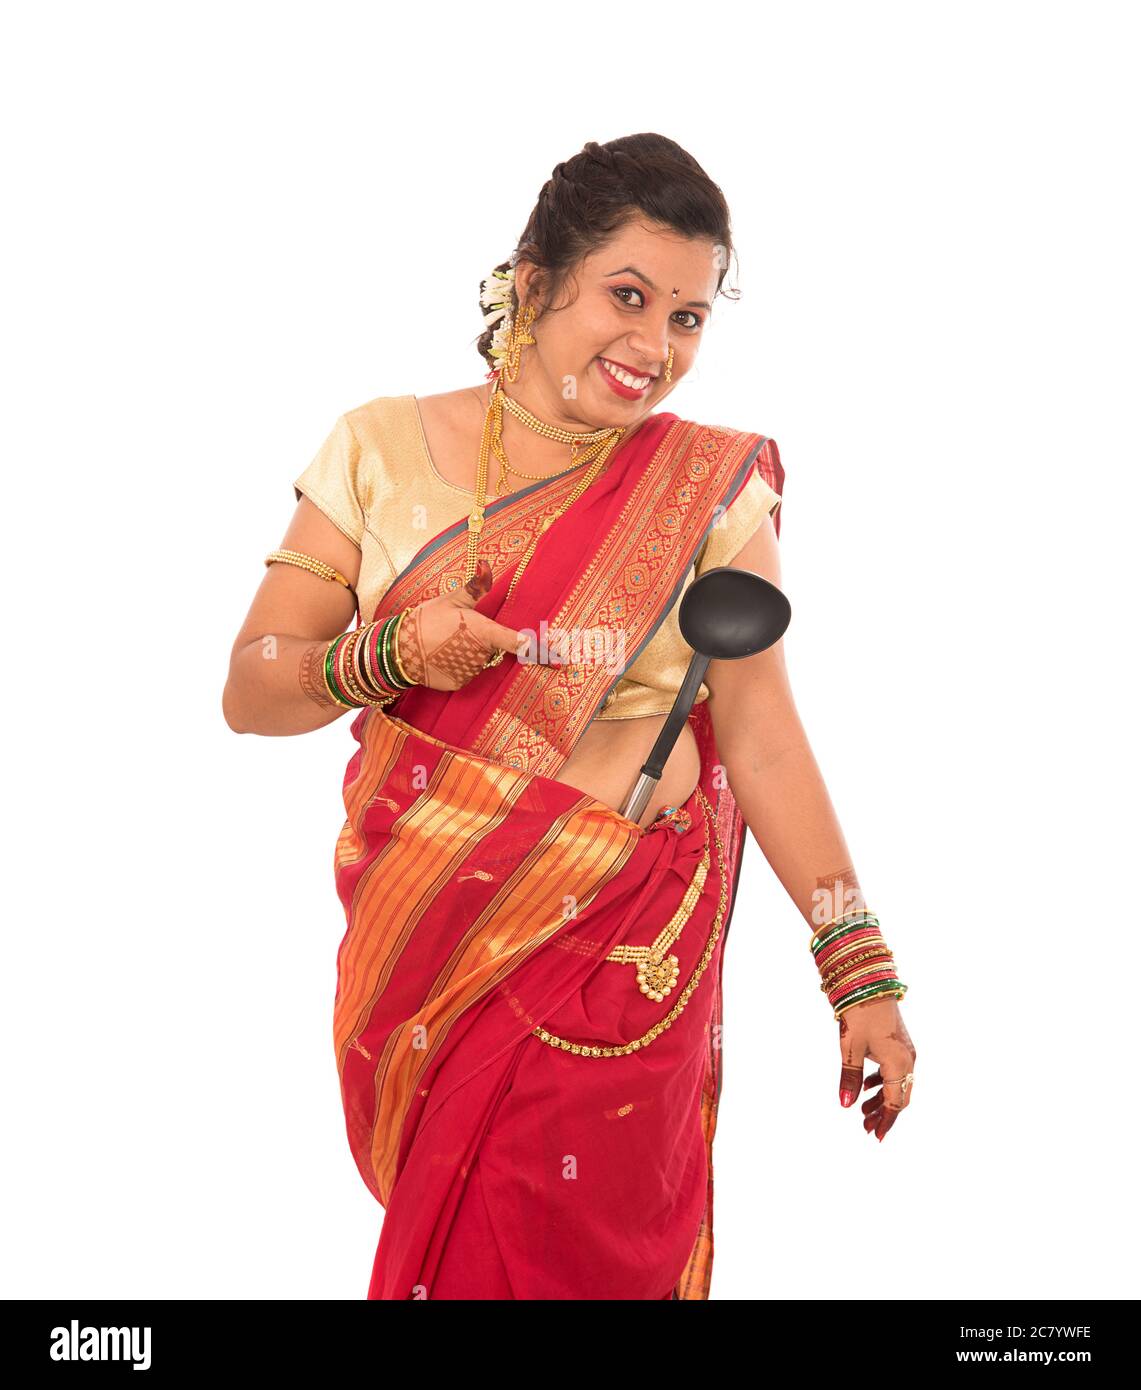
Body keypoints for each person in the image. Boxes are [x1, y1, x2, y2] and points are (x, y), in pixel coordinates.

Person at [222, 133, 916, 1301]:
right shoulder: (382, 447)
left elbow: (763, 739)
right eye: (628, 297)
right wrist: (389, 653)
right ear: (535, 280)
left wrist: (860, 968)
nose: (655, 348)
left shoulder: (710, 491)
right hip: (439, 952)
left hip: (625, 966)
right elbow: (253, 685)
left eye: (689, 317)